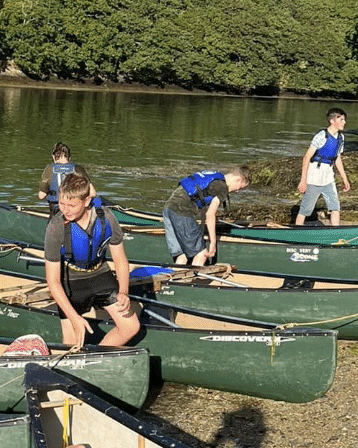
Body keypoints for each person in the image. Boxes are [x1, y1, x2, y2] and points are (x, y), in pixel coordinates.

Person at [43, 172, 140, 348]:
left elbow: (120, 260)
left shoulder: (108, 219)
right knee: (72, 343)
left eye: (71, 205)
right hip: (71, 281)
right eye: (61, 203)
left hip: (100, 274)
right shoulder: (55, 227)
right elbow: (53, 280)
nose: (65, 210)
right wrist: (75, 318)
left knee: (131, 326)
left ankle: (98, 354)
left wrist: (124, 291)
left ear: (87, 201)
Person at [161, 167, 251, 267]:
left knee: (183, 255)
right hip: (182, 210)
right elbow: (210, 214)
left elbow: (201, 199)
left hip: (168, 208)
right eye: (241, 187)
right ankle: (192, 282)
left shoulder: (214, 177)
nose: (238, 191)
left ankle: (175, 280)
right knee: (201, 254)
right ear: (239, 179)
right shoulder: (222, 187)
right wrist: (213, 242)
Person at [296, 110, 350, 227]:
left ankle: (336, 233)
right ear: (332, 121)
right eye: (341, 120)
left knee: (335, 206)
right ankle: (297, 229)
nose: (344, 122)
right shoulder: (321, 136)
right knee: (306, 208)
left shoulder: (341, 137)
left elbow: (337, 158)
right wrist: (303, 180)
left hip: (328, 176)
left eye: (344, 120)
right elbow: (307, 157)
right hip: (315, 174)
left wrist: (345, 178)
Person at [37, 143, 95, 209]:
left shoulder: (49, 169)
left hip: (56, 208)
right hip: (74, 208)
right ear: (69, 157)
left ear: (53, 156)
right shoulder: (78, 169)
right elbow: (93, 193)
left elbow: (41, 196)